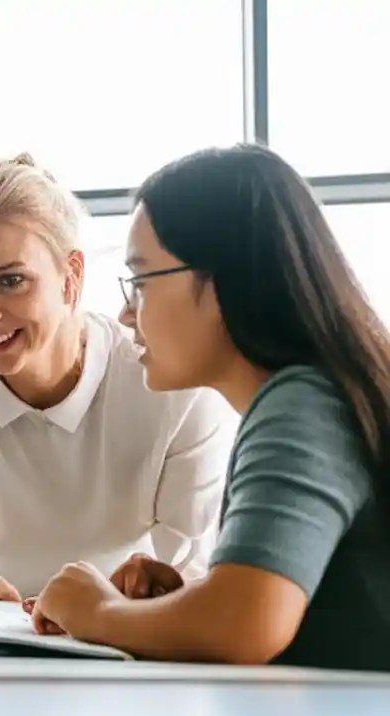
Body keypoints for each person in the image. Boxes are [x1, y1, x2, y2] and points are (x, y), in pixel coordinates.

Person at [30, 145, 390, 671]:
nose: (127, 314)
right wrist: (191, 601)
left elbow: (247, 624)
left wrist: (98, 611)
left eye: (141, 280)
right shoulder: (324, 394)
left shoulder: (302, 405)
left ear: (222, 281)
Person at [0, 153, 235, 600]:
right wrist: (11, 623)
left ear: (71, 276)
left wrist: (62, 620)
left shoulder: (172, 384)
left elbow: (190, 586)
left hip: (138, 641)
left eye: (11, 281)